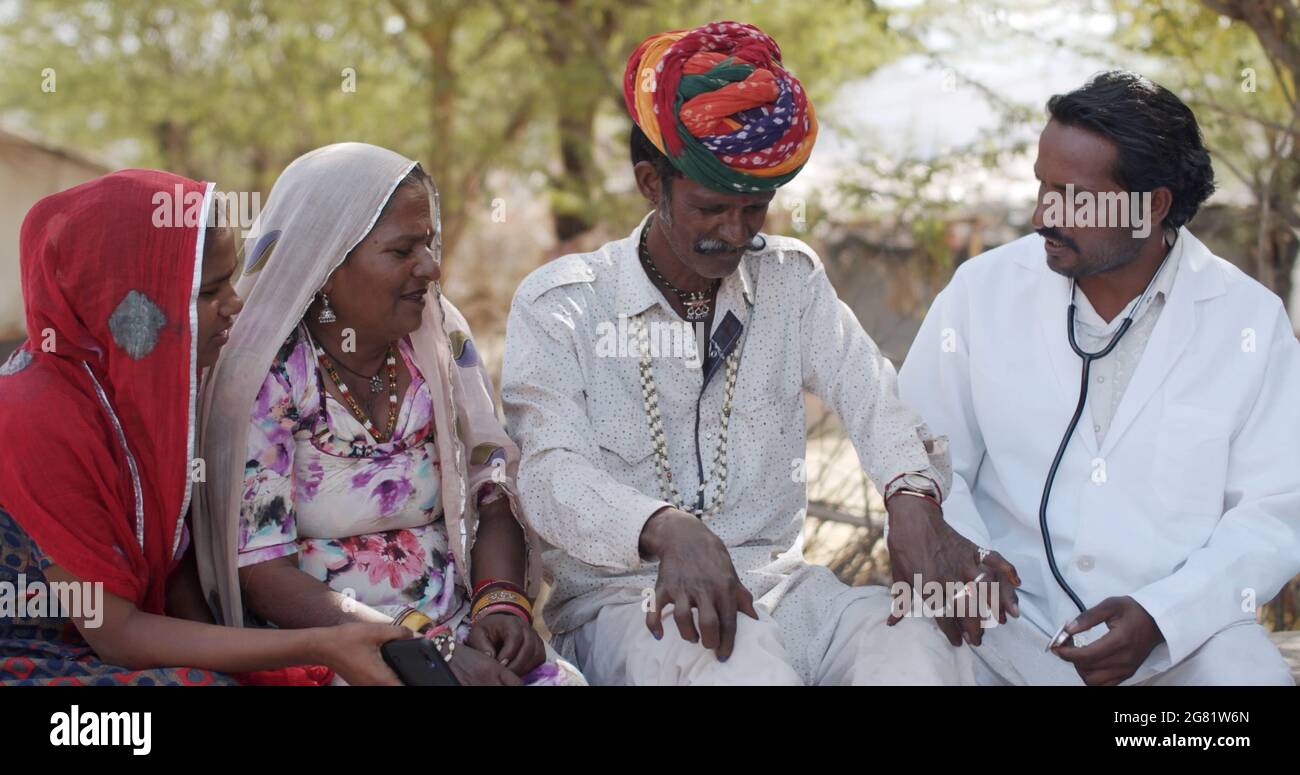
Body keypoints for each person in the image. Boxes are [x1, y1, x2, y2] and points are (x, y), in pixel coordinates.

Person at [500, 21, 975, 685]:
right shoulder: (564, 304)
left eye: (756, 211)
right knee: (738, 667)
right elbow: (548, 477)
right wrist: (666, 529)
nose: (736, 233)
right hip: (627, 603)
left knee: (919, 648)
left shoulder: (791, 280)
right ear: (649, 181)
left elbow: (871, 395)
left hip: (785, 591)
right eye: (713, 208)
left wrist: (911, 496)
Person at [898, 71, 1300, 686]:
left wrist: (1163, 617)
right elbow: (918, 455)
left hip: (1177, 646)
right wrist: (963, 558)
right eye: (1041, 187)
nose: (1041, 215)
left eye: (1072, 196)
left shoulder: (1248, 322)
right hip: (998, 628)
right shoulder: (981, 293)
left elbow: (1274, 511)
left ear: (1153, 204)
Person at [0, 170, 411, 685]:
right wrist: (320, 645)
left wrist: (284, 666)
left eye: (231, 281)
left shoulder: (143, 391)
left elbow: (174, 575)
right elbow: (117, 634)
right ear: (131, 305)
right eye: (210, 290)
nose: (235, 305)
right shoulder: (37, 414)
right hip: (32, 650)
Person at [195, 143, 583, 686]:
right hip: (334, 651)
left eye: (428, 242)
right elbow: (262, 572)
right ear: (327, 267)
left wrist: (501, 607)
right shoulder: (267, 377)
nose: (430, 266)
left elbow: (492, 488)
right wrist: (429, 654)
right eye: (402, 251)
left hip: (461, 632)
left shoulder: (437, 340)